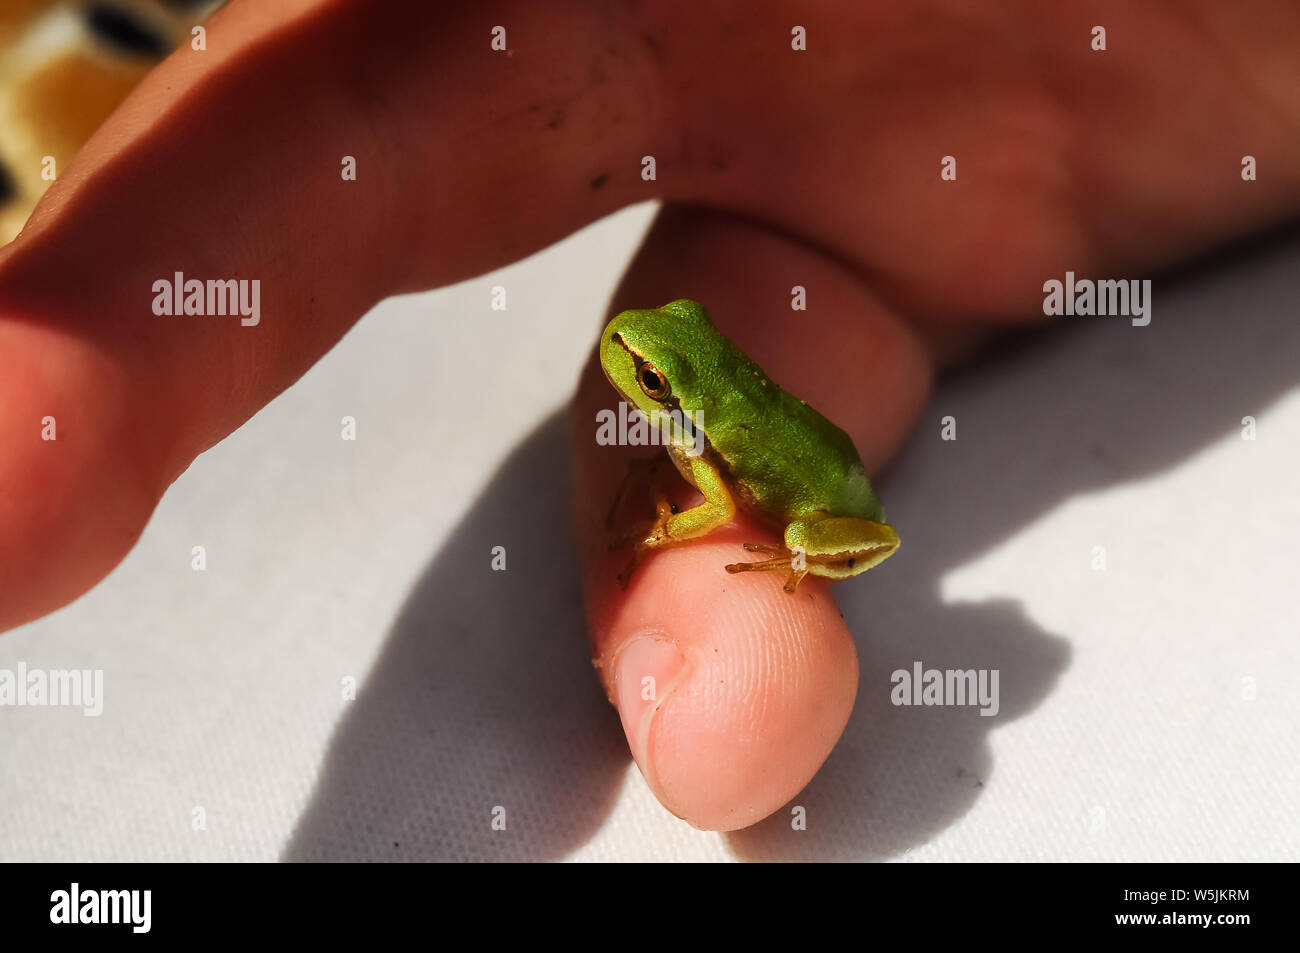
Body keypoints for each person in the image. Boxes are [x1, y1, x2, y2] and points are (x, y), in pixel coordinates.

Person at [0, 0, 1294, 830]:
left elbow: (724, 496)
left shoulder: (707, 438)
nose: (636, 368)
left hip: (825, 507)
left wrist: (742, 526)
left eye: (657, 379)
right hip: (811, 434)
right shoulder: (702, 373)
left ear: (681, 391)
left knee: (749, 575)